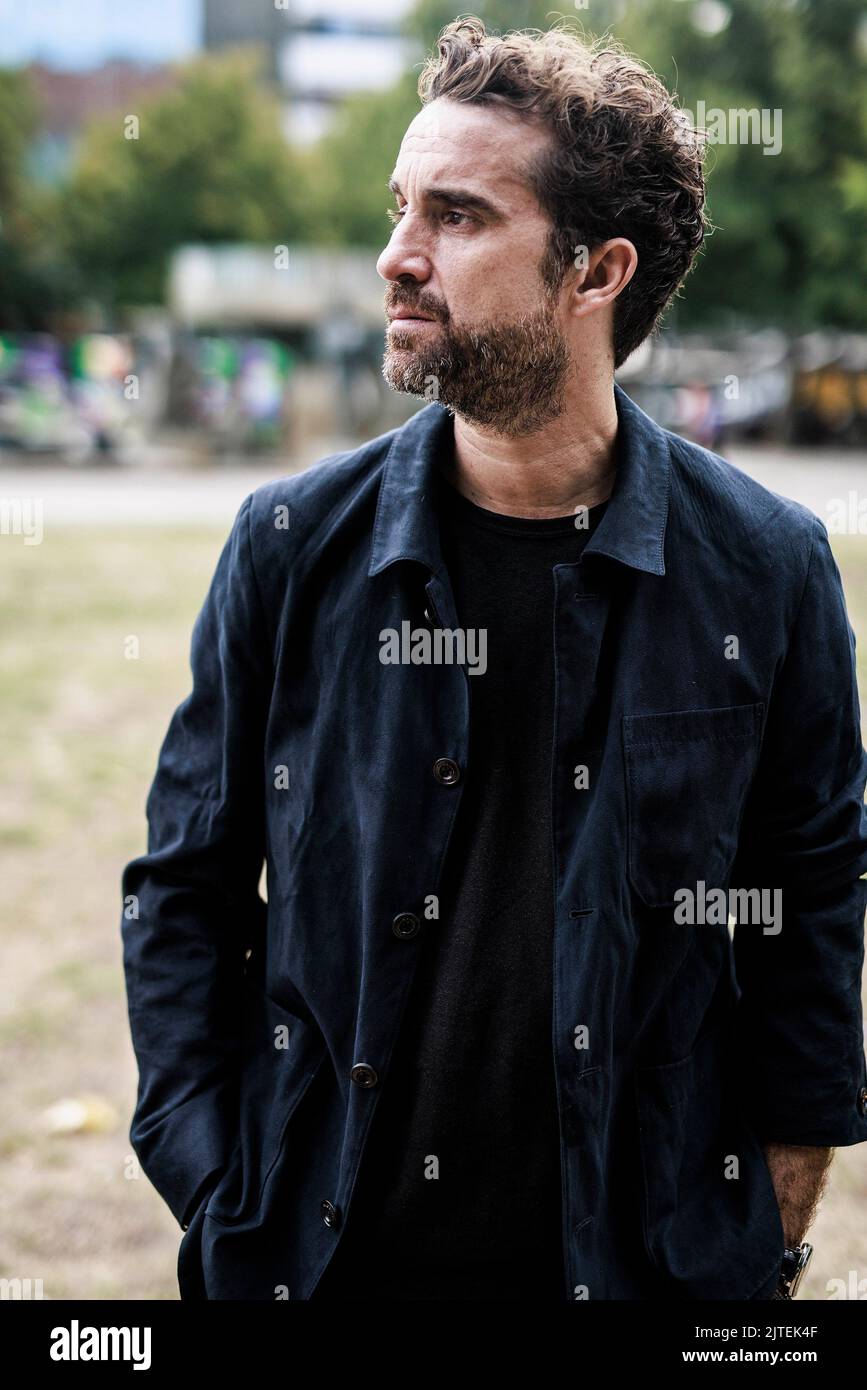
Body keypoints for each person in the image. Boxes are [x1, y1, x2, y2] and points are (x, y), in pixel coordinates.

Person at [121, 18, 867, 1302]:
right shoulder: (291, 549)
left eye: (457, 217)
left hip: (629, 1271)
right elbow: (184, 891)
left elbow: (809, 912)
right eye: (401, 207)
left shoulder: (769, 567)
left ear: (595, 273)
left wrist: (761, 1234)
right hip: (321, 1261)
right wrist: (216, 1183)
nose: (395, 258)